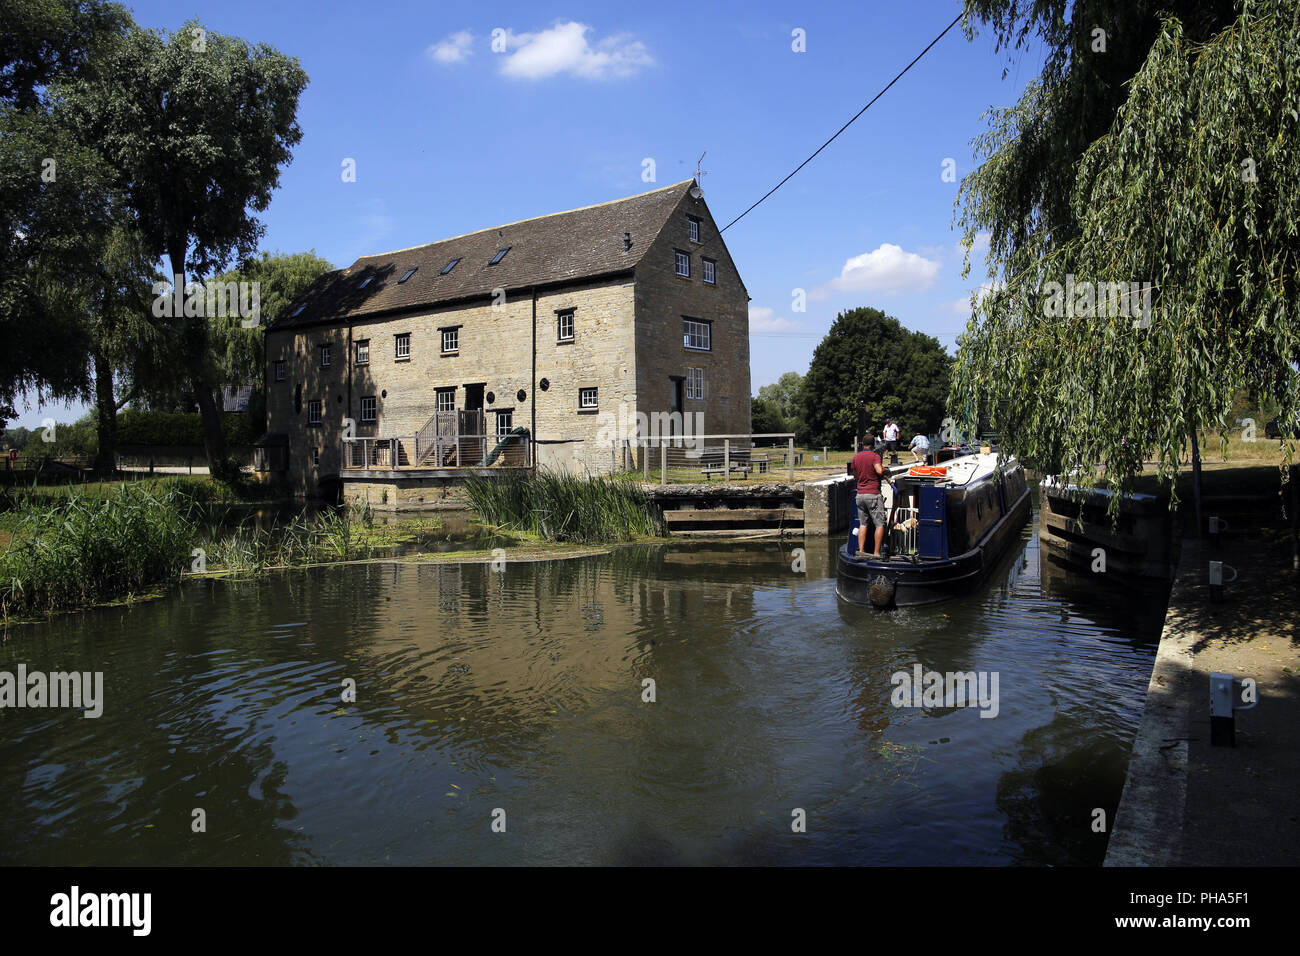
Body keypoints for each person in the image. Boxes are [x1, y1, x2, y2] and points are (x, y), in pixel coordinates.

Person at [848, 430, 888, 558]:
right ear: (873, 445)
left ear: (862, 444)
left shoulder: (856, 457)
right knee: (880, 524)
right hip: (873, 494)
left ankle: (862, 551)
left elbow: (855, 475)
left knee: (863, 524)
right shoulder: (875, 456)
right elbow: (879, 470)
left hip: (860, 495)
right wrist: (885, 470)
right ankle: (876, 553)